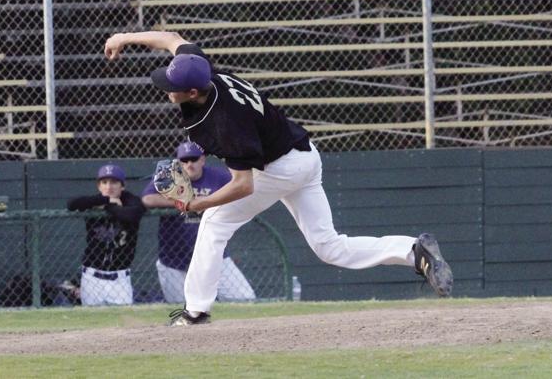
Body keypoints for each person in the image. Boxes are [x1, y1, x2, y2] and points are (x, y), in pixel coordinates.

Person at [104, 31, 453, 326]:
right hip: (304, 155)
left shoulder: (225, 122)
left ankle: (196, 311)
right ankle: (413, 251)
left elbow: (244, 184)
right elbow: (171, 39)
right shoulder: (202, 70)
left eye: (172, 86)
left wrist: (198, 203)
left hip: (279, 168)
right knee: (329, 246)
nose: (167, 88)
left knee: (213, 222)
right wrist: (125, 37)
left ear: (193, 92)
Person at [142, 141, 256, 303]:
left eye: (194, 159)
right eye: (184, 160)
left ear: (202, 160)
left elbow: (244, 190)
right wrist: (185, 202)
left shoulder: (218, 176)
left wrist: (208, 202)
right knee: (182, 308)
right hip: (174, 260)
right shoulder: (169, 176)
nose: (189, 164)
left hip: (214, 255)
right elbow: (148, 199)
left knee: (245, 299)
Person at [66, 164, 146, 306]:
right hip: (92, 277)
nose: (109, 187)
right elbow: (71, 204)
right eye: (104, 182)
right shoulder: (95, 200)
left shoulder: (130, 200)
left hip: (120, 278)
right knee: (91, 322)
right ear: (99, 186)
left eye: (114, 182)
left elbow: (132, 215)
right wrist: (105, 200)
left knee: (124, 322)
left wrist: (109, 207)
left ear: (122, 186)